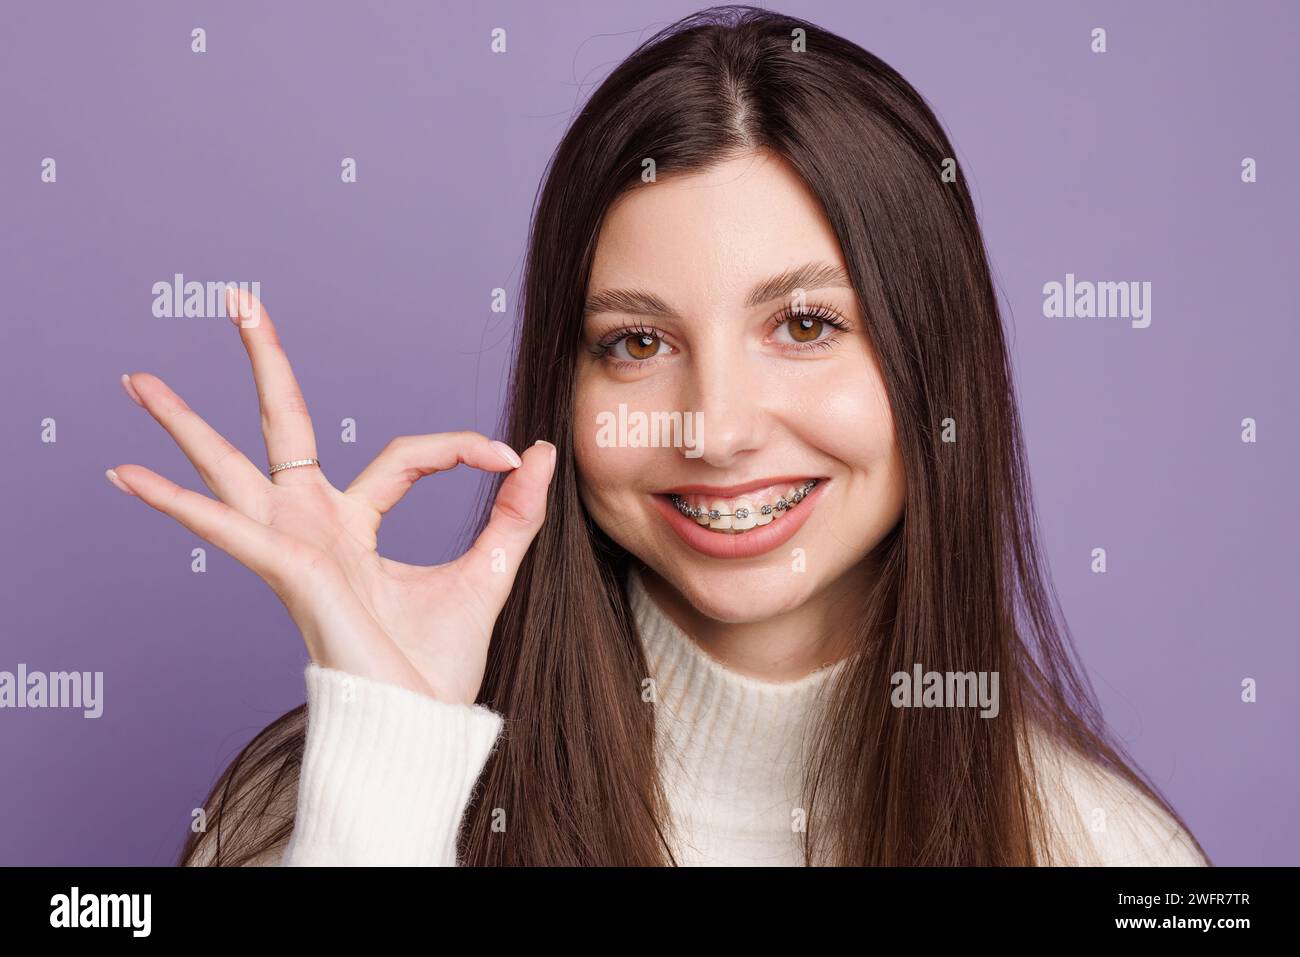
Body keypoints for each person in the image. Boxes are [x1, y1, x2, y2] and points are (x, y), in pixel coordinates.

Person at [107, 6, 1208, 866]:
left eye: (807, 324)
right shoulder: (315, 803)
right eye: (635, 343)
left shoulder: (1108, 853)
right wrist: (389, 755)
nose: (714, 429)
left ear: (936, 367)